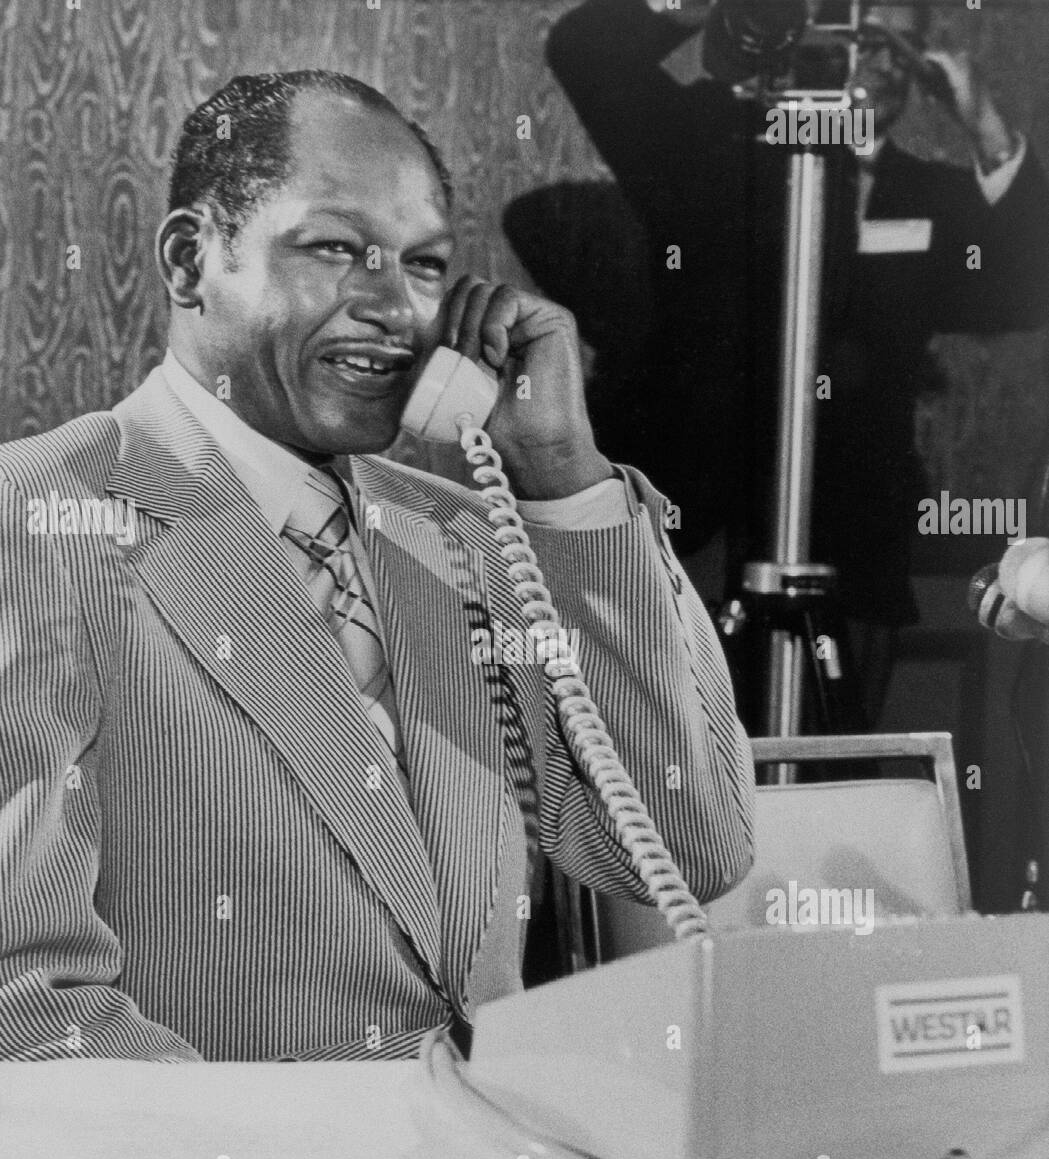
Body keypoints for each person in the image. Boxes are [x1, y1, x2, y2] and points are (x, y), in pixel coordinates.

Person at [0, 71, 754, 1062]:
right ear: (190, 260)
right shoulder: (35, 519)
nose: (396, 308)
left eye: (426, 266)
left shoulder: (471, 537)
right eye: (335, 249)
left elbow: (683, 848)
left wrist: (559, 475)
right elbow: (30, 1007)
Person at [544, 0, 1049, 725]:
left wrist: (984, 121)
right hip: (693, 539)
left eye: (891, 46)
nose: (867, 61)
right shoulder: (704, 148)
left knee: (830, 796)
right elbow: (585, 50)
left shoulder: (930, 200)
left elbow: (1025, 288)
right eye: (846, 35)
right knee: (682, 798)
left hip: (854, 556)